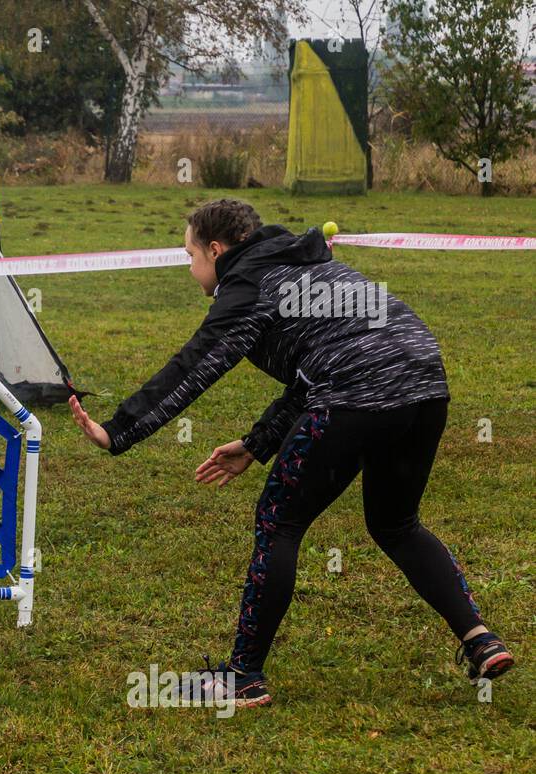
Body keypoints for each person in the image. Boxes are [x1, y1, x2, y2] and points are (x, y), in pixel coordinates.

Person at [70, 198, 514, 706]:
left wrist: (119, 430)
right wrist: (258, 444)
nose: (190, 269)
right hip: (425, 383)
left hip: (355, 391)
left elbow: (199, 362)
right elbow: (318, 366)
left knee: (279, 524)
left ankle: (243, 677)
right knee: (395, 524)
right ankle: (479, 638)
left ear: (216, 250)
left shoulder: (247, 284)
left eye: (190, 255)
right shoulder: (303, 262)